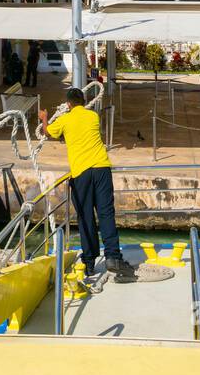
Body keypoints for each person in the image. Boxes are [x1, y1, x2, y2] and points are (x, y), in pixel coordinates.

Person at [39, 88, 136, 283]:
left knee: (86, 217)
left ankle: (89, 262)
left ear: (68, 104)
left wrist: (44, 118)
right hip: (101, 168)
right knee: (106, 213)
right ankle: (113, 258)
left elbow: (47, 132)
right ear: (84, 101)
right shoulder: (93, 116)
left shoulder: (64, 120)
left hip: (81, 173)